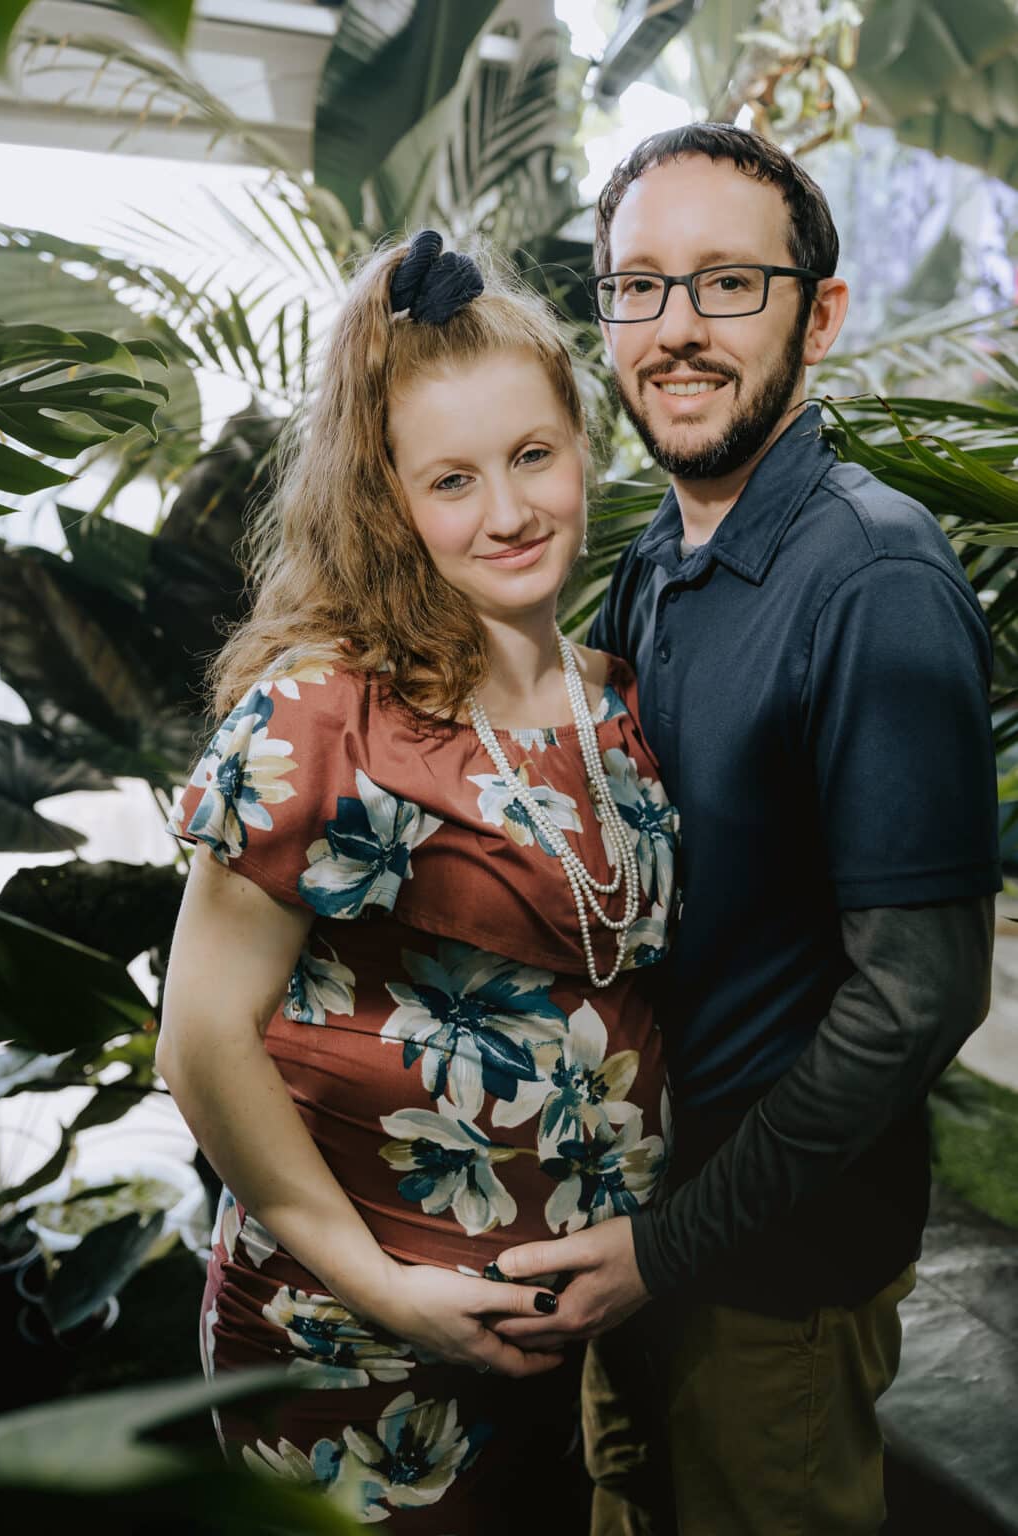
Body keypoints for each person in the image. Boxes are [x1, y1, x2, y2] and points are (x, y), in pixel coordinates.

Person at [491, 124, 1000, 1536]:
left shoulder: (874, 579)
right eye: (638, 286)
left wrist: (670, 1246)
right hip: (630, 1226)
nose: (674, 328)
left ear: (816, 317)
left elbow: (918, 996)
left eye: (726, 283)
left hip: (770, 1277)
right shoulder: (659, 557)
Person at [157, 230, 678, 1533]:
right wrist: (384, 1288)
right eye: (451, 479)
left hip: (576, 1347)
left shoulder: (615, 701)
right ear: (386, 501)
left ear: (581, 447)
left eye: (532, 456)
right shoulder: (320, 716)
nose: (508, 512)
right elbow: (201, 1041)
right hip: (350, 1351)